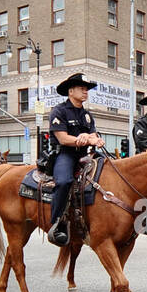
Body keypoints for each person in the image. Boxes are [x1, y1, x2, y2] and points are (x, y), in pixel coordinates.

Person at [46, 73, 102, 245]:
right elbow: (63, 138)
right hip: (65, 153)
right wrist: (81, 138)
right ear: (71, 91)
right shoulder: (59, 111)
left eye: (87, 89)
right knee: (64, 181)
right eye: (82, 89)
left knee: (109, 170)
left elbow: (93, 135)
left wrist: (96, 139)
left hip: (85, 154)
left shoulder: (87, 115)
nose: (86, 92)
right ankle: (57, 223)